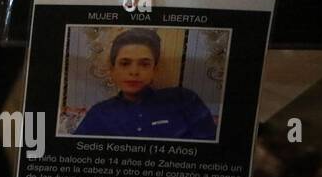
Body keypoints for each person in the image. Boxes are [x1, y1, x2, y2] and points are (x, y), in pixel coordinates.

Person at [74, 28, 218, 141]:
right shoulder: (99, 114)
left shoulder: (184, 100)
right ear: (112, 70)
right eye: (125, 63)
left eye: (144, 64)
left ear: (154, 70)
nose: (134, 71)